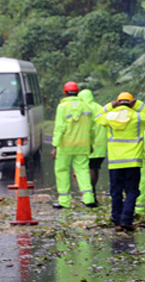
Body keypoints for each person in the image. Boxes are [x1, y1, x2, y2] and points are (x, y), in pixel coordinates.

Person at [94, 93, 145, 232]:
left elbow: (97, 116)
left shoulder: (109, 118)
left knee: (116, 192)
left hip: (115, 162)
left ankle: (117, 222)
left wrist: (110, 105)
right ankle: (126, 220)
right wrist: (138, 104)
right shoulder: (138, 117)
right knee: (132, 191)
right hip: (133, 162)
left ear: (118, 102)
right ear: (131, 103)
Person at [51, 81, 96, 209]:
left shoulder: (62, 107)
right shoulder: (86, 106)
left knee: (62, 171)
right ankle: (88, 199)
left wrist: (55, 146)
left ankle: (64, 201)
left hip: (65, 145)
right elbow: (91, 129)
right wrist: (91, 143)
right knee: (83, 171)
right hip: (82, 145)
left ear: (65, 93)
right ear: (77, 92)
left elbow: (59, 128)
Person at [78, 89, 107, 201]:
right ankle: (92, 192)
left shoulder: (82, 109)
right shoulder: (100, 108)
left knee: (88, 169)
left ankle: (89, 194)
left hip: (88, 144)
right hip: (101, 145)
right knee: (95, 168)